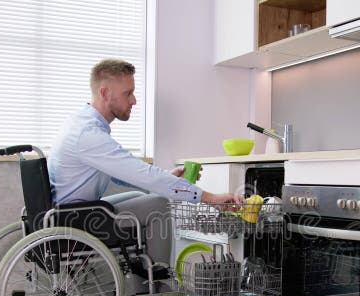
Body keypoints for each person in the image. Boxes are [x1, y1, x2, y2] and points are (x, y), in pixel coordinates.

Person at [48, 58, 241, 269]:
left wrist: (167, 176)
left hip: (68, 213)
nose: (134, 100)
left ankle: (145, 273)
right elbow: (140, 172)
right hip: (74, 221)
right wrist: (209, 198)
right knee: (158, 205)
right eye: (127, 93)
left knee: (143, 197)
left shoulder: (82, 123)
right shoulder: (88, 133)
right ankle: (156, 282)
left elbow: (122, 173)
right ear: (104, 93)